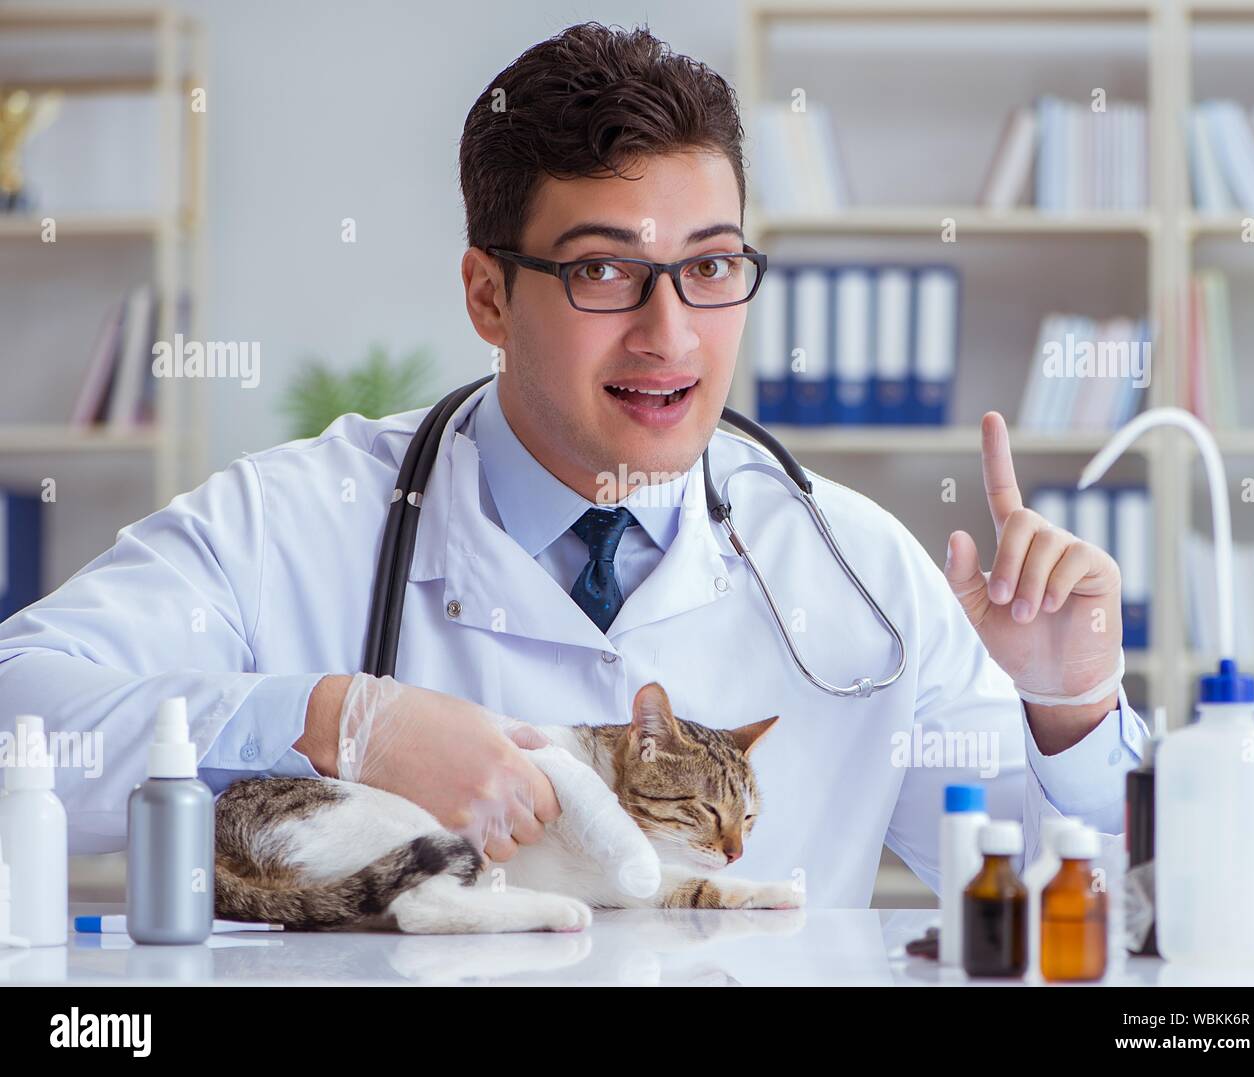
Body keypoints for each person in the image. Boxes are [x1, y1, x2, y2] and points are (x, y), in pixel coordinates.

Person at [0, 22, 1147, 906]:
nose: (671, 334)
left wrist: (1070, 711)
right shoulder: (293, 521)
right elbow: (21, 719)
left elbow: (1085, 905)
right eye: (605, 272)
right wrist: (334, 720)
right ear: (488, 295)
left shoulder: (857, 573)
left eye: (710, 266)